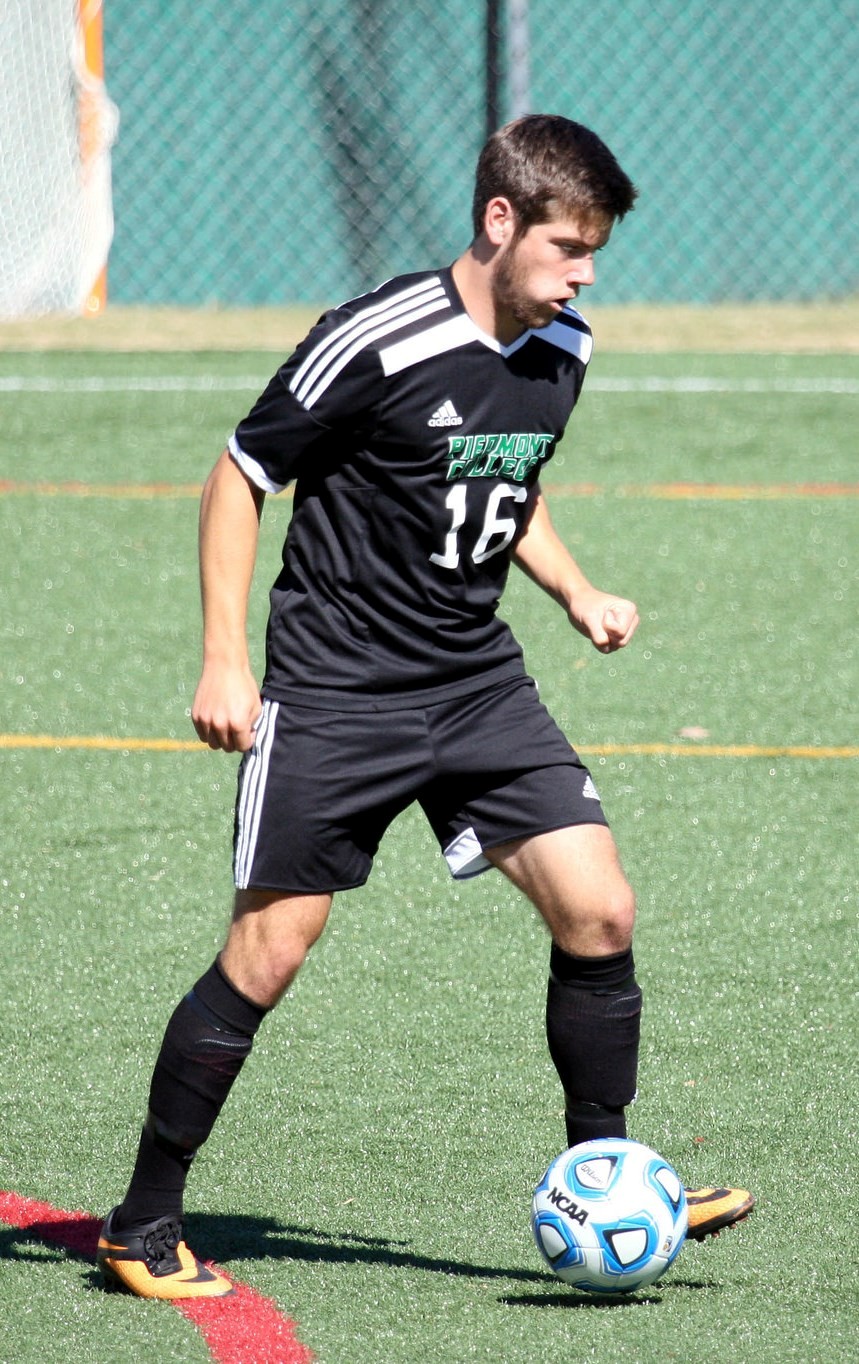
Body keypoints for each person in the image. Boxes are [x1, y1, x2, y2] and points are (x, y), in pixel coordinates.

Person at [97, 114, 753, 1299]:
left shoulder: (565, 344)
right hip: (338, 687)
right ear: (498, 221)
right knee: (271, 946)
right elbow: (242, 474)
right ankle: (141, 1219)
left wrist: (571, 587)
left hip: (474, 681)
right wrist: (221, 657)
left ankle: (603, 1168)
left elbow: (508, 477)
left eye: (594, 250)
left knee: (600, 909)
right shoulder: (374, 338)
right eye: (566, 246)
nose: (584, 273)